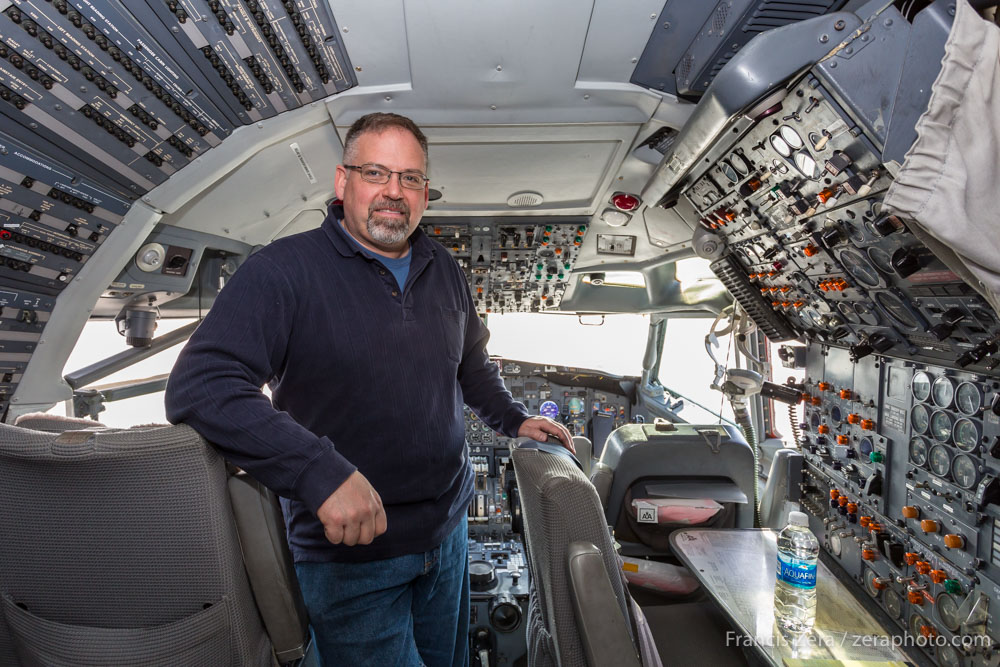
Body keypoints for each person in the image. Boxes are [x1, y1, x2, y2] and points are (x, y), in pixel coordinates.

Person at [164, 112, 573, 666]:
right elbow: (202, 384)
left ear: (424, 192)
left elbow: (470, 364)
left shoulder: (444, 267)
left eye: (410, 178)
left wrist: (514, 418)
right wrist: (318, 471)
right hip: (350, 557)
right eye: (376, 172)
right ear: (343, 181)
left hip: (447, 534)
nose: (393, 192)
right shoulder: (281, 271)